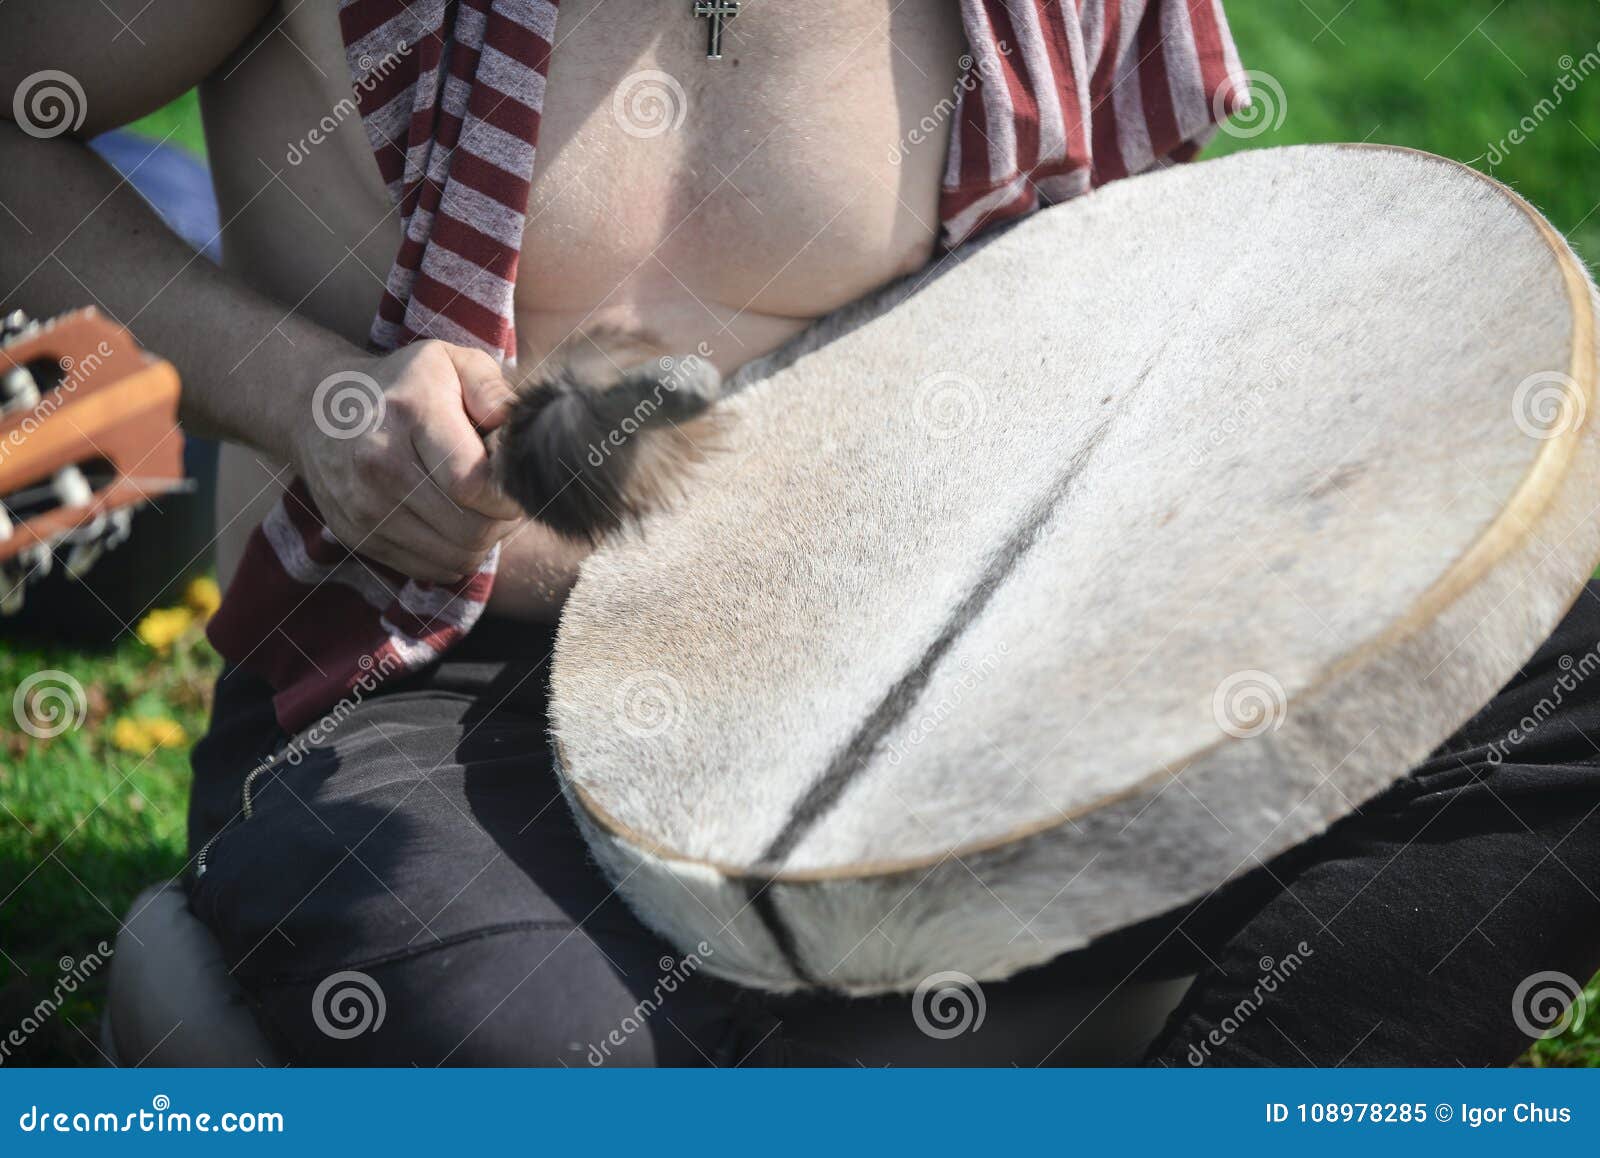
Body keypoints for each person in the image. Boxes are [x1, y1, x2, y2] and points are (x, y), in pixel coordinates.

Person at [3, 1, 1595, 1066]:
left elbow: (1128, 299)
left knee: (1552, 648)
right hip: (454, 683)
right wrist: (305, 395)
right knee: (526, 1053)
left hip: (947, 635)